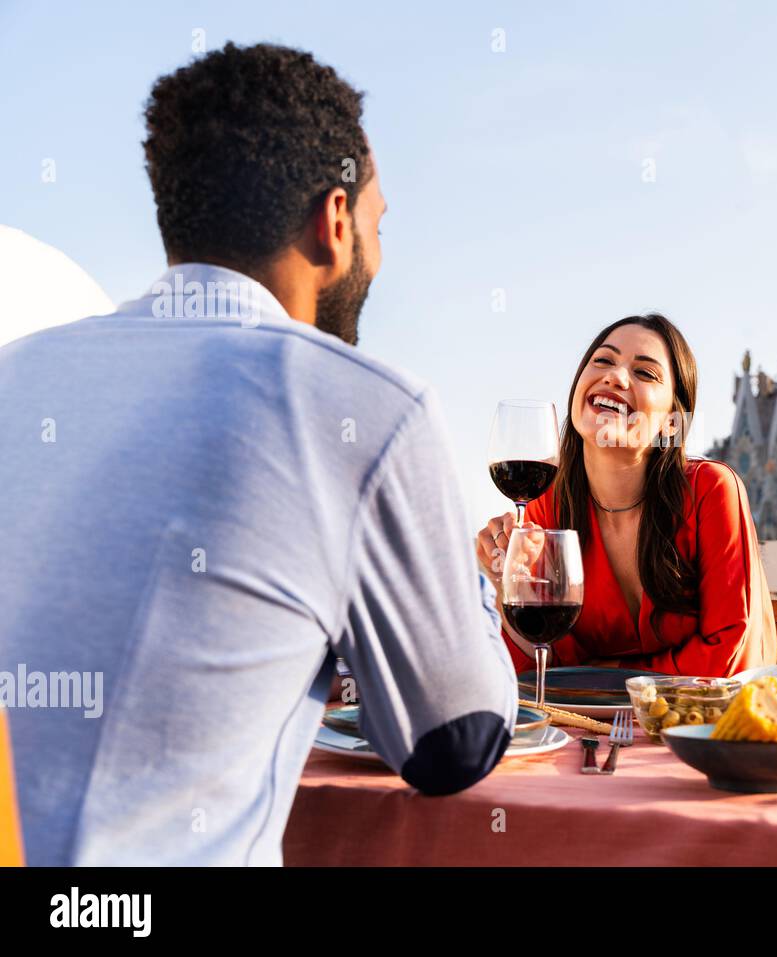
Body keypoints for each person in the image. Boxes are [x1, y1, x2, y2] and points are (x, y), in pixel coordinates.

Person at [0, 43, 518, 866]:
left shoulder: (16, 372)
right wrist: (467, 584)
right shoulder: (362, 404)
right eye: (378, 223)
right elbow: (456, 740)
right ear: (336, 221)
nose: (379, 249)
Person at [476, 314, 777, 677]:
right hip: (582, 715)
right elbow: (534, 671)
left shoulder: (711, 489)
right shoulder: (547, 505)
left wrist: (606, 674)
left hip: (706, 714)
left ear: (672, 422)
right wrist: (505, 587)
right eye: (603, 360)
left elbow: (731, 657)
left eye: (645, 373)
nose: (615, 377)